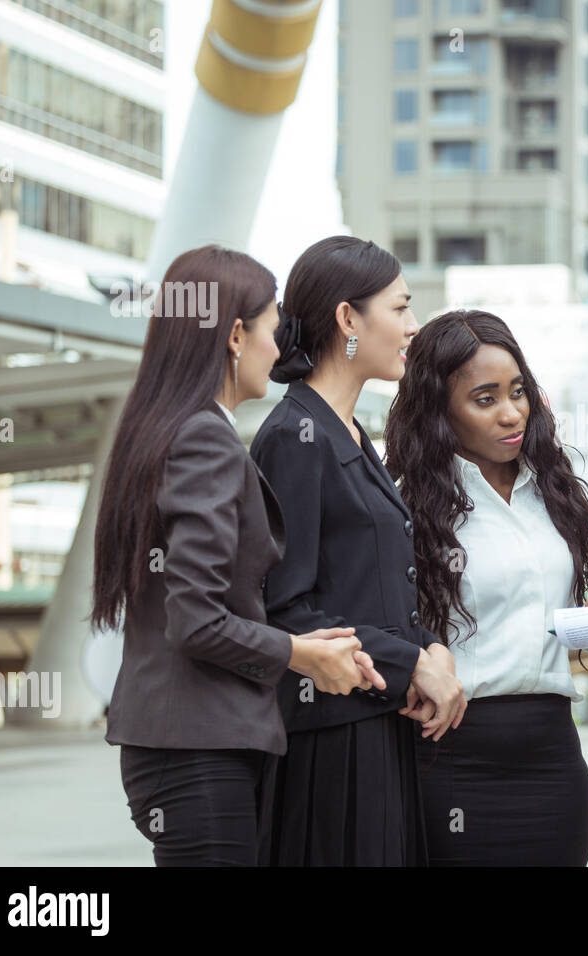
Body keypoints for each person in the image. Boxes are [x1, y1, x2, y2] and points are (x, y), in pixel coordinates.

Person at [96, 245, 381, 866]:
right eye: (273, 330)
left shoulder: (169, 428)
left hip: (181, 746)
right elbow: (195, 618)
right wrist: (299, 653)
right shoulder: (204, 438)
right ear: (234, 335)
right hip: (199, 749)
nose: (279, 351)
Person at [251, 237, 466, 866]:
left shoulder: (347, 432)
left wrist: (431, 649)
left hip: (376, 723)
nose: (412, 325)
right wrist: (411, 666)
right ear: (349, 319)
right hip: (332, 745)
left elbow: (365, 588)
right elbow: (286, 608)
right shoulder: (295, 437)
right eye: (399, 308)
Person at [384, 310, 588, 866]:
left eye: (518, 392)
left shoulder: (554, 494)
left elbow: (540, 611)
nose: (512, 413)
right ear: (440, 411)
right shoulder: (406, 507)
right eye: (485, 399)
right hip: (455, 760)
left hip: (554, 758)